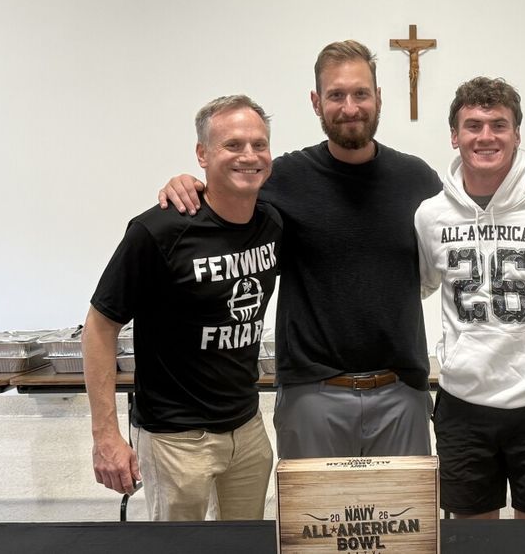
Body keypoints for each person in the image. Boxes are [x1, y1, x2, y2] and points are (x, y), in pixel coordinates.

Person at [158, 41, 443, 459]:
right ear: (316, 102)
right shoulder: (283, 179)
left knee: (404, 505)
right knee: (311, 506)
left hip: (401, 393)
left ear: (378, 97)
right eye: (336, 95)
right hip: (312, 395)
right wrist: (187, 183)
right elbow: (227, 196)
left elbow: (471, 223)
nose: (350, 107)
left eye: (361, 93)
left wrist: (523, 178)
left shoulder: (417, 180)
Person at [83, 95, 281, 521]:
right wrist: (106, 435)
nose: (249, 155)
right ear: (202, 154)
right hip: (175, 438)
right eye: (232, 145)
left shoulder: (272, 223)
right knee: (179, 548)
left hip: (247, 428)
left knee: (245, 545)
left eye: (259, 144)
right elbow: (99, 327)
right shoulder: (158, 230)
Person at [415, 77, 525, 519]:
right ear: (454, 136)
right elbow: (421, 284)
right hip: (463, 401)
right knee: (473, 538)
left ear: (517, 134)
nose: (486, 136)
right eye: (473, 125)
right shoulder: (430, 215)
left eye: (499, 125)